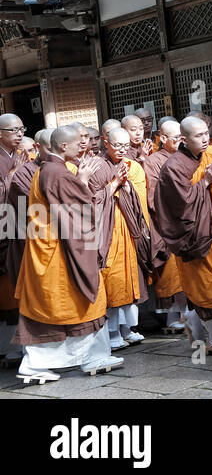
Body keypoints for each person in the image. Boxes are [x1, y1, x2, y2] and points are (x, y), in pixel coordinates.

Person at [13, 125, 123, 384]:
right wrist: (84, 182)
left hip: (52, 249)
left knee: (87, 304)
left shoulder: (50, 170)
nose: (82, 146)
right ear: (63, 146)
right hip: (57, 254)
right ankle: (34, 364)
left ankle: (94, 356)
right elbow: (79, 213)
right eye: (77, 143)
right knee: (63, 307)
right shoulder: (58, 173)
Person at [155, 116, 212, 354]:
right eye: (198, 136)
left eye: (206, 133)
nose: (205, 139)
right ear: (184, 139)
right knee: (208, 284)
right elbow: (178, 204)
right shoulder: (174, 166)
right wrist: (204, 183)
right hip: (197, 235)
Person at [99, 126, 162, 350]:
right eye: (117, 145)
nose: (122, 149)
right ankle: (113, 332)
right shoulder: (98, 167)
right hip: (110, 232)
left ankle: (128, 329)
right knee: (113, 281)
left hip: (131, 229)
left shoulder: (133, 165)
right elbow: (92, 199)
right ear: (105, 142)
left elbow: (141, 197)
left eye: (126, 145)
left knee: (132, 279)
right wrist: (114, 185)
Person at [141, 121, 189, 333]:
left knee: (188, 269)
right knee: (170, 270)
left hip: (189, 220)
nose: (179, 142)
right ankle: (172, 316)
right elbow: (152, 195)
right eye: (175, 138)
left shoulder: (188, 156)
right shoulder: (153, 161)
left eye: (181, 137)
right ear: (162, 138)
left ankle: (190, 314)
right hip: (167, 222)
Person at [0, 114, 31, 366]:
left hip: (21, 224)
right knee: (8, 285)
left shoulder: (22, 156)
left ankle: (22, 342)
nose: (19, 134)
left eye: (22, 129)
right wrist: (14, 175)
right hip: (4, 228)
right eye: (13, 130)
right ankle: (9, 345)